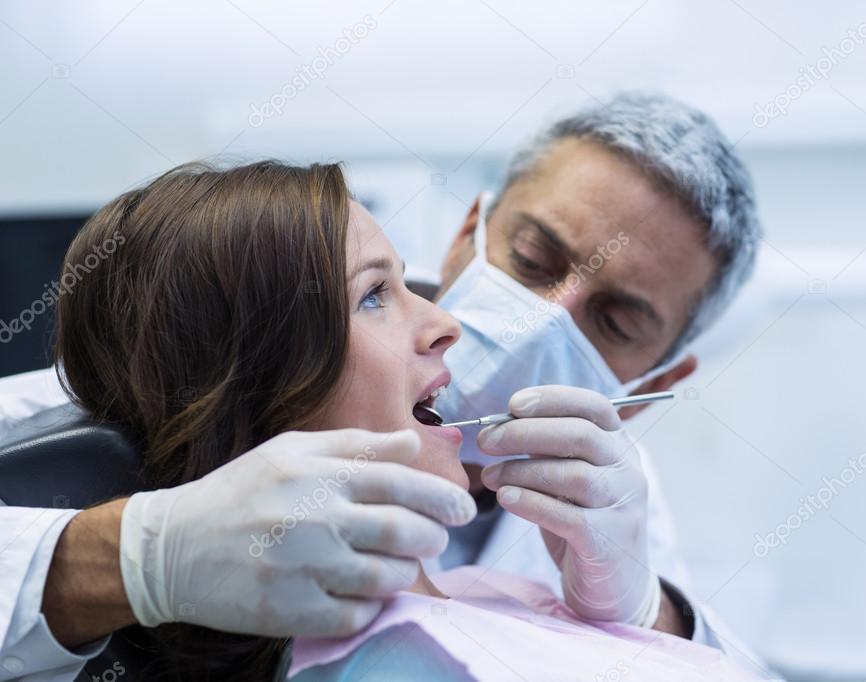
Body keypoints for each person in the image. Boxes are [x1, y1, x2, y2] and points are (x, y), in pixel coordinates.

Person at [0, 91, 765, 675]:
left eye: (616, 321)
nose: (450, 325)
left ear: (663, 375)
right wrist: (132, 559)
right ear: (469, 232)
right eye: (531, 262)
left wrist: (648, 611)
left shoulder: (609, 497)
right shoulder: (88, 419)